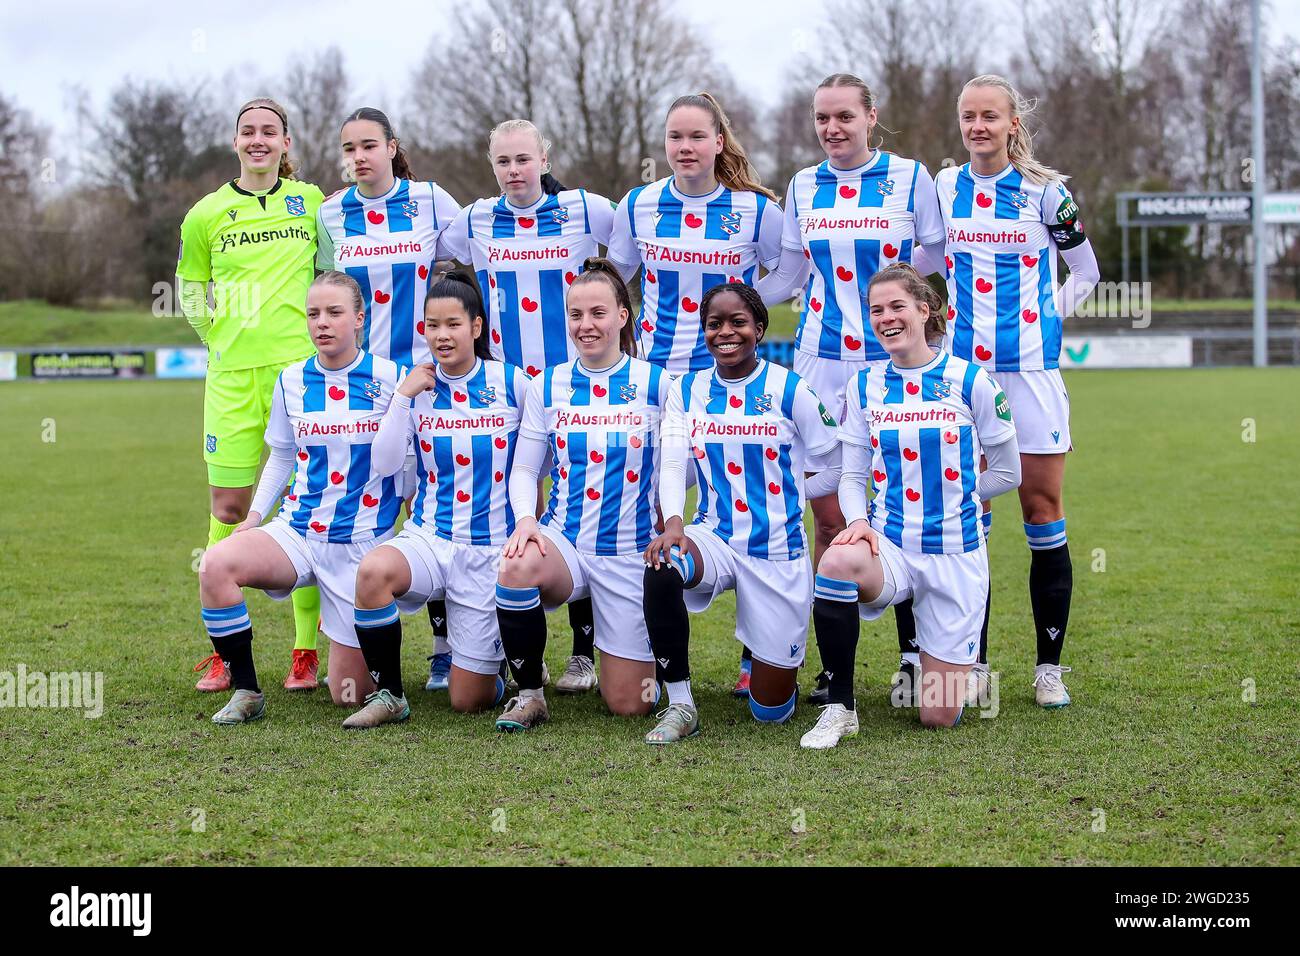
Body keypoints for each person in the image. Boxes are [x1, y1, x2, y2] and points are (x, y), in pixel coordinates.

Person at [762, 73, 948, 706]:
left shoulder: (911, 178)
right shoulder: (803, 185)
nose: (832, 129)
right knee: (827, 512)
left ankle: (912, 657)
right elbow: (789, 270)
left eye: (844, 116)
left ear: (871, 116)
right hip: (821, 361)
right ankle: (832, 667)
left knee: (905, 501)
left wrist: (901, 310)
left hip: (896, 362)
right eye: (822, 119)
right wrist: (725, 303)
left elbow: (937, 258)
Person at [608, 91, 786, 697]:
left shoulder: (755, 210)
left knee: (744, 500)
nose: (684, 149)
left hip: (730, 379)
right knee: (653, 511)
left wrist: (750, 307)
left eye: (696, 138)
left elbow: (788, 271)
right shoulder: (638, 204)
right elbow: (619, 281)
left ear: (719, 141)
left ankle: (752, 654)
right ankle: (656, 663)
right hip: (657, 381)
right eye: (674, 139)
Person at [800, 264, 1021, 747]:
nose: (885, 318)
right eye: (876, 310)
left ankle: (952, 665)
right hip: (892, 549)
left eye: (897, 306)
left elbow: (1009, 473)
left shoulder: (971, 380)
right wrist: (859, 521)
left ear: (925, 310)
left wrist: (958, 498)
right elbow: (853, 475)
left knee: (937, 717)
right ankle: (840, 708)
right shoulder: (865, 386)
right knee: (837, 560)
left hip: (955, 554)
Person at [933, 74, 1100, 708]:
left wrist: (1046, 321)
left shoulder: (1046, 195)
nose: (978, 127)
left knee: (1040, 508)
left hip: (1031, 375)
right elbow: (925, 261)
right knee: (966, 514)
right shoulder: (945, 189)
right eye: (969, 117)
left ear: (1013, 125)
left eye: (990, 117)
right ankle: (969, 660)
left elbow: (1086, 271)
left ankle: (1047, 667)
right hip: (962, 377)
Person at [437, 119, 616, 694]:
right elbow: (440, 263)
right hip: (507, 391)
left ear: (545, 158)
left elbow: (625, 267)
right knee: (517, 511)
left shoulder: (588, 211)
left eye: (523, 159)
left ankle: (584, 653)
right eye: (503, 162)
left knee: (577, 510)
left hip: (573, 388)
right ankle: (522, 653)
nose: (514, 171)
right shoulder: (473, 220)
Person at [196, 272, 405, 724]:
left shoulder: (392, 378)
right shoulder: (292, 379)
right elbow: (282, 457)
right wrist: (254, 517)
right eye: (313, 314)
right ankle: (247, 691)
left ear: (359, 319)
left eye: (334, 313)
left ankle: (353, 639)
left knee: (348, 694)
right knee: (214, 564)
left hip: (361, 545)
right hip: (298, 531)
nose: (322, 323)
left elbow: (409, 460)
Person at [642, 283, 842, 744]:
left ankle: (775, 677)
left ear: (759, 329)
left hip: (777, 551)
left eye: (737, 323)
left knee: (770, 712)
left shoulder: (790, 388)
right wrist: (675, 522)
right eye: (715, 324)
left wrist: (796, 493)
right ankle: (680, 704)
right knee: (662, 564)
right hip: (714, 536)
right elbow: (673, 460)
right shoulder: (687, 390)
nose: (725, 332)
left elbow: (836, 464)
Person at [179, 97, 328, 694]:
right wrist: (220, 338)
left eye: (270, 131)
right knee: (228, 508)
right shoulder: (205, 214)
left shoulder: (313, 203)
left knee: (310, 505)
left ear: (286, 143)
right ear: (236, 142)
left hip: (299, 377)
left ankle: (305, 651)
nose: (259, 140)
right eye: (249, 132)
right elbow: (191, 290)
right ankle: (223, 650)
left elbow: (334, 274)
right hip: (234, 379)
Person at [316, 106, 463, 692]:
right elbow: (323, 289)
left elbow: (479, 247)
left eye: (369, 145)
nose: (359, 157)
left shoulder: (429, 200)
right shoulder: (331, 212)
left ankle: (448, 647)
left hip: (430, 378)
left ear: (392, 147)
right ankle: (360, 640)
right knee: (377, 502)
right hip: (365, 388)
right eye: (349, 147)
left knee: (436, 504)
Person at [492, 258, 669, 731]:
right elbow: (526, 467)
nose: (586, 325)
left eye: (598, 313)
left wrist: (666, 515)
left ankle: (633, 660)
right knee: (515, 565)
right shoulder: (546, 384)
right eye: (576, 315)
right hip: (565, 544)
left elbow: (681, 469)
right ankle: (529, 693)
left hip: (630, 553)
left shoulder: (657, 384)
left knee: (630, 704)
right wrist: (526, 521)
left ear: (622, 316)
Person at [345, 272, 527, 726]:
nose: (441, 336)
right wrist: (403, 398)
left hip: (489, 549)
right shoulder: (415, 387)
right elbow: (387, 464)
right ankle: (389, 695)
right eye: (431, 325)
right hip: (429, 537)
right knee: (373, 572)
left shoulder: (513, 384)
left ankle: (496, 664)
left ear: (477, 327)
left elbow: (535, 463)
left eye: (452, 324)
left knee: (468, 701)